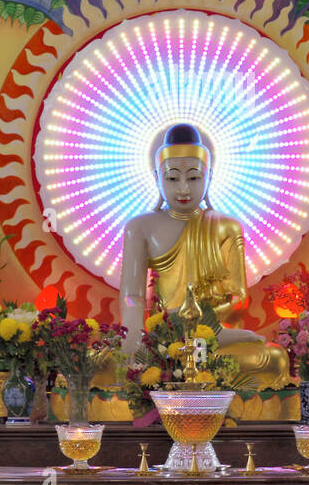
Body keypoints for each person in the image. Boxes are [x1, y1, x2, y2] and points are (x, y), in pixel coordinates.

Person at [120, 123, 290, 387]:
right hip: (164, 338)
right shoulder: (140, 227)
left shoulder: (226, 227)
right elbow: (132, 295)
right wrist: (133, 340)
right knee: (108, 361)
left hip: (213, 337)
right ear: (157, 177)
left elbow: (239, 299)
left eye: (194, 178)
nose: (184, 189)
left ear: (209, 176)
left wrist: (197, 322)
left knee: (271, 358)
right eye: (173, 178)